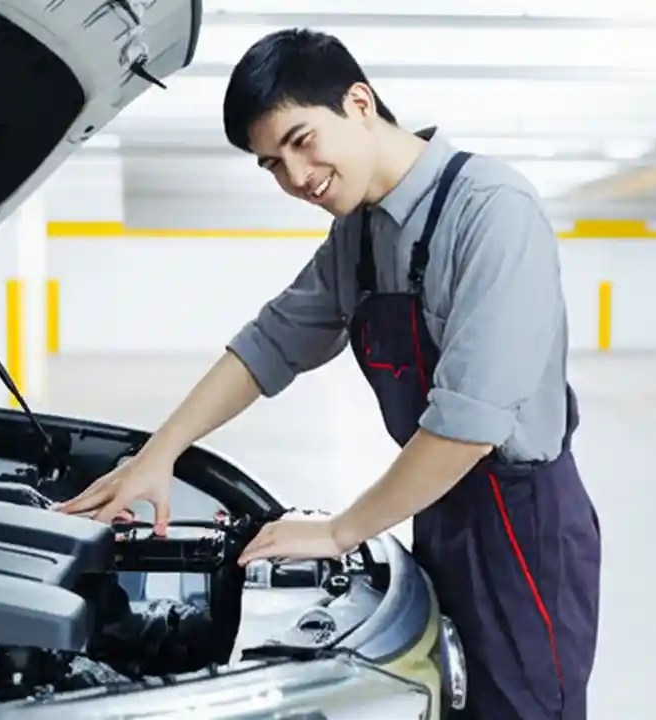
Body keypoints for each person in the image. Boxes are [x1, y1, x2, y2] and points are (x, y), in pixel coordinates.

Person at [56, 28, 601, 719]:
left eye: (301, 140)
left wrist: (342, 531)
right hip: (437, 509)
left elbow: (468, 428)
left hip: (521, 530)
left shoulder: (492, 211)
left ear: (360, 102)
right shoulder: (362, 235)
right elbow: (272, 343)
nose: (295, 177)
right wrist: (156, 455)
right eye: (271, 164)